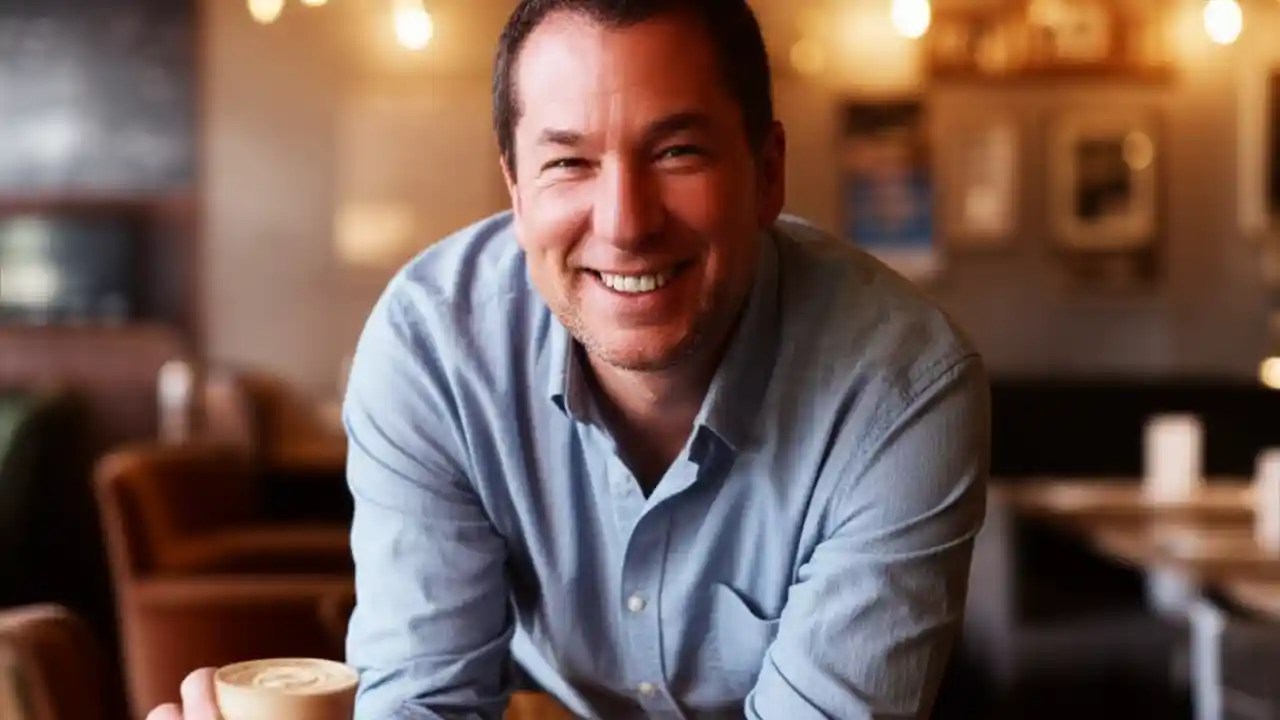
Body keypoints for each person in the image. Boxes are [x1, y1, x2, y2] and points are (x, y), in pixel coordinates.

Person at [148, 0, 989, 718]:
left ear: (766, 174)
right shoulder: (434, 350)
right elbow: (423, 703)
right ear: (515, 191)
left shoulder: (903, 386)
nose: (624, 222)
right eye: (568, 163)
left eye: (676, 152)